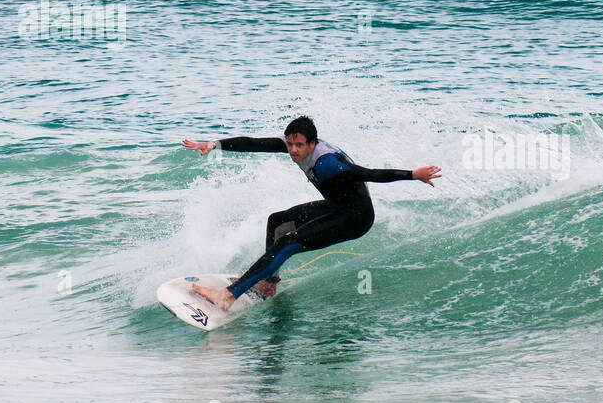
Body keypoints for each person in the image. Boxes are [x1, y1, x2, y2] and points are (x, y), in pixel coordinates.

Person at [181, 116, 441, 310]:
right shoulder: (294, 145)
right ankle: (268, 283)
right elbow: (254, 143)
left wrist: (412, 175)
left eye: (299, 146)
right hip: (337, 206)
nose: (293, 150)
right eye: (290, 144)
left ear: (312, 144)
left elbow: (367, 173)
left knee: (288, 243)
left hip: (355, 218)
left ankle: (227, 296)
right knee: (277, 221)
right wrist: (215, 144)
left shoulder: (327, 163)